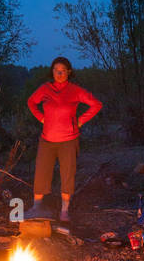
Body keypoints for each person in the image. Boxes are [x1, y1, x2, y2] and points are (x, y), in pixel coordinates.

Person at [26, 57, 103, 220]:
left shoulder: (75, 90)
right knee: (41, 172)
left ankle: (64, 211)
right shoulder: (45, 89)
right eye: (55, 70)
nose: (59, 73)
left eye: (62, 70)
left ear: (68, 71)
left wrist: (80, 121)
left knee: (67, 173)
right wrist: (40, 117)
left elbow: (96, 104)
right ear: (52, 71)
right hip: (47, 139)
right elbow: (31, 102)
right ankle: (36, 207)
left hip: (69, 139)